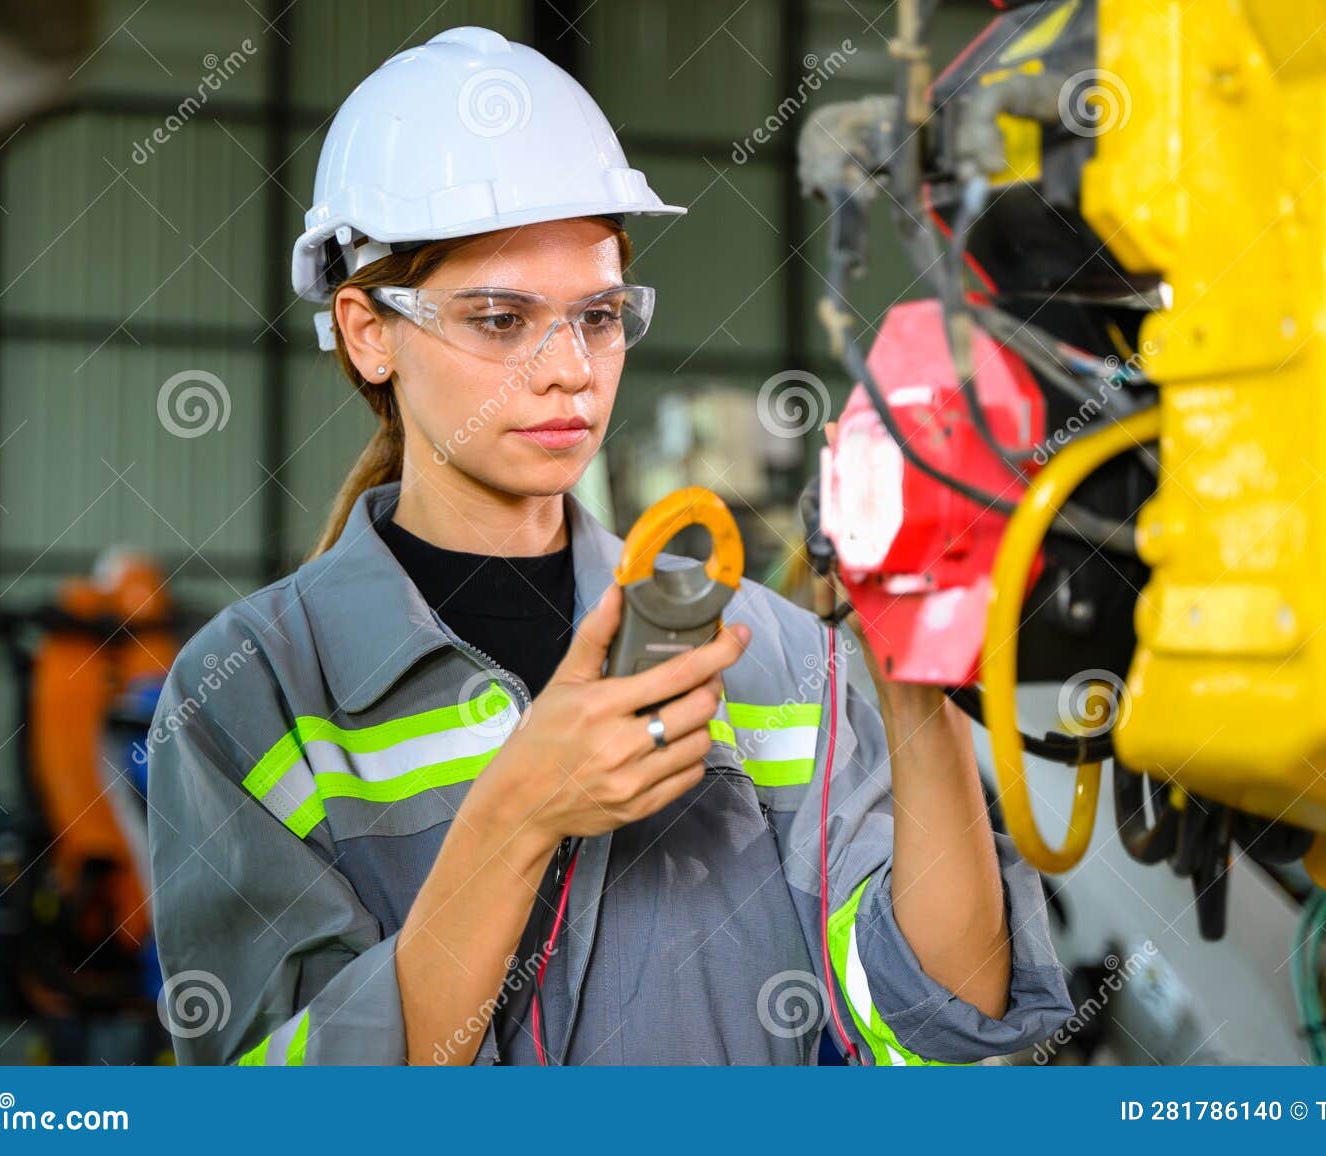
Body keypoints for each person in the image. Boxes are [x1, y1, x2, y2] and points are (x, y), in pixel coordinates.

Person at [146, 25, 1073, 1066]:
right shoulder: (251, 695)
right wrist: (518, 816)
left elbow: (933, 1038)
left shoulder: (767, 655)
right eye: (500, 319)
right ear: (367, 330)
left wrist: (916, 684)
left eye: (597, 314)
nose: (569, 369)